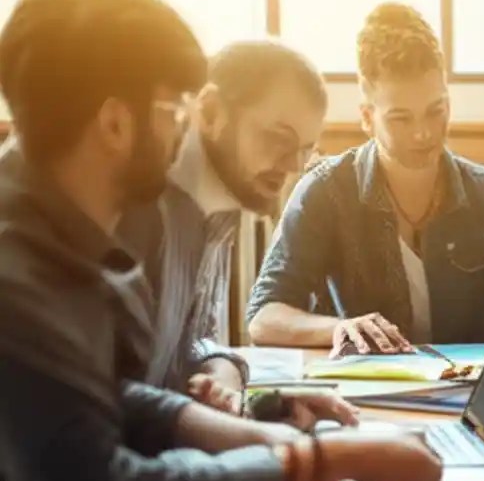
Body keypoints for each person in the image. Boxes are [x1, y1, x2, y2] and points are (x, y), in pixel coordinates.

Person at [0, 0, 442, 481]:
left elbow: (101, 399)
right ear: (115, 124)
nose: (183, 135)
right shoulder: (19, 267)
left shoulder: (47, 224)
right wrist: (310, 465)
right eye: (174, 109)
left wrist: (274, 441)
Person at [0, 36, 341, 425]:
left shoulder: (221, 203)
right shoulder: (134, 203)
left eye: (305, 149)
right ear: (210, 112)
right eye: (278, 139)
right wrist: (283, 457)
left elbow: (184, 345)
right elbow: (99, 399)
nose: (293, 166)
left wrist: (231, 379)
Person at [247, 2, 484, 355]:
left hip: (467, 394)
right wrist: (340, 328)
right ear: (367, 117)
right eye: (400, 119)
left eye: (435, 111)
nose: (423, 133)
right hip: (358, 396)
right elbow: (264, 316)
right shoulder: (327, 191)